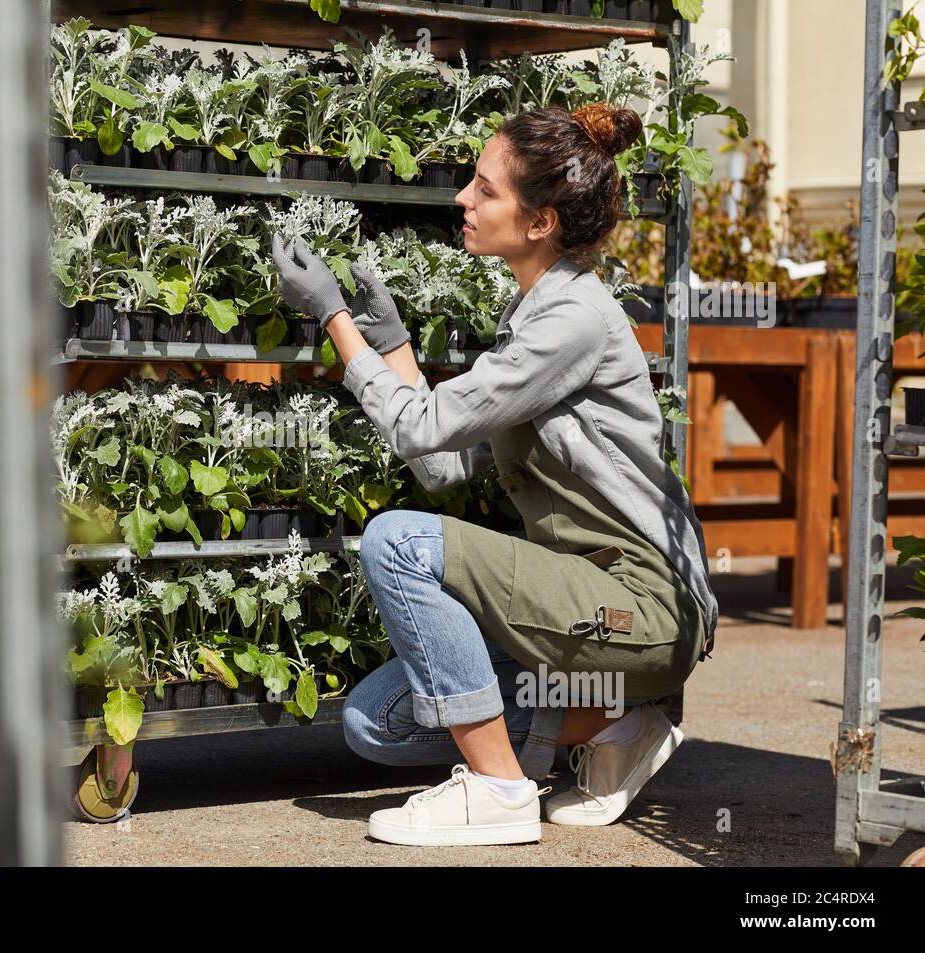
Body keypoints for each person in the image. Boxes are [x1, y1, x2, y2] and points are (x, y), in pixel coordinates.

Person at [271, 102, 718, 847]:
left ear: (540, 221)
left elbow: (417, 428)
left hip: (642, 605)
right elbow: (444, 465)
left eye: (485, 189)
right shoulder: (536, 311)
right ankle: (616, 722)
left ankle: (499, 791)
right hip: (583, 594)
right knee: (375, 722)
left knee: (397, 543)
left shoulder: (572, 319)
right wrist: (396, 345)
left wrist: (335, 322)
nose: (463, 200)